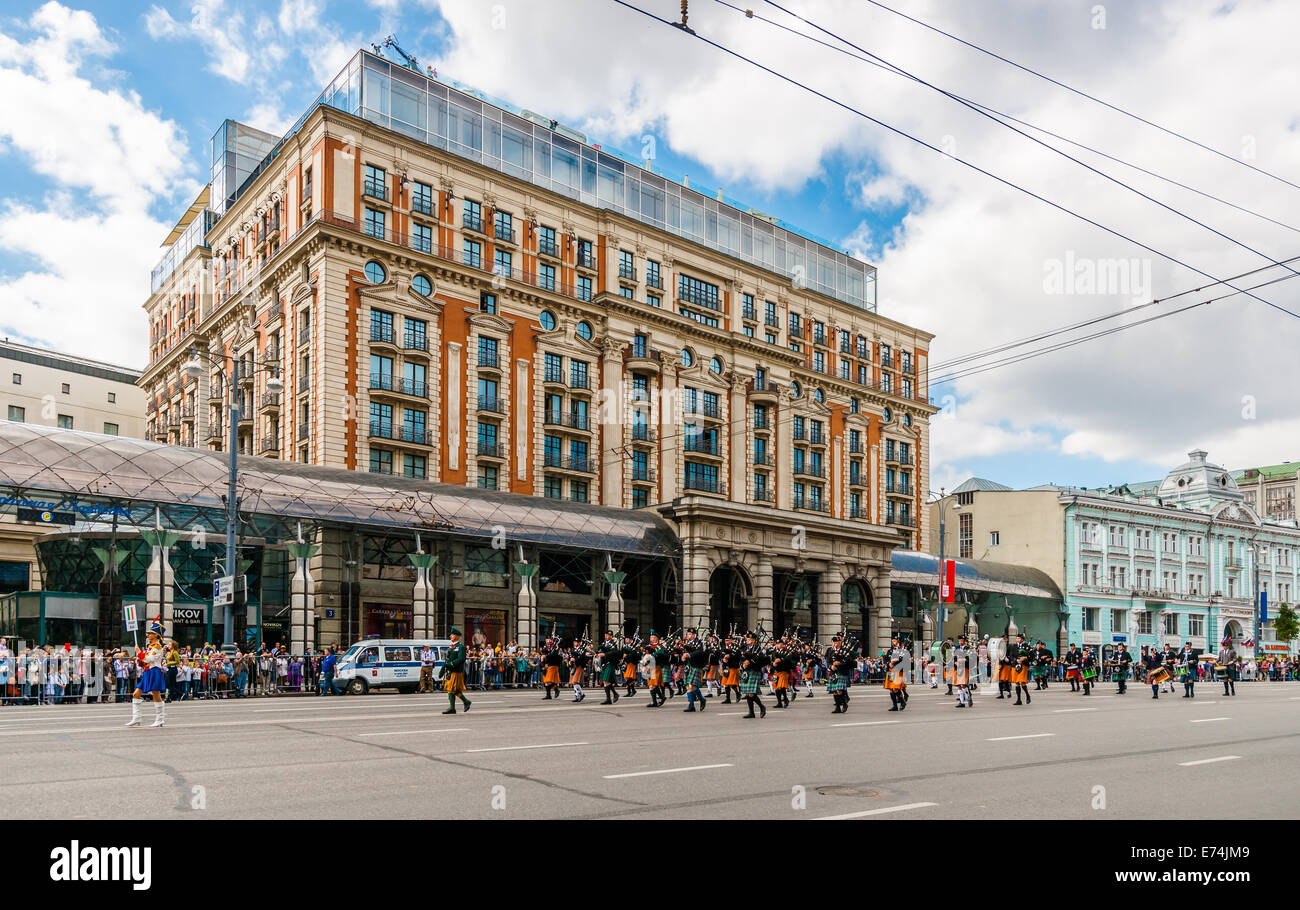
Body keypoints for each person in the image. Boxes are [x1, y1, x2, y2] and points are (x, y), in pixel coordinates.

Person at [125, 619, 170, 728]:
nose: (148, 635)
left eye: (150, 633)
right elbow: (145, 661)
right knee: (136, 694)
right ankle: (137, 718)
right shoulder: (151, 646)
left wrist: (139, 652)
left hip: (154, 672)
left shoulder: (157, 647)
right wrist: (139, 659)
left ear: (156, 635)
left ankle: (160, 719)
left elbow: (149, 659)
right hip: (148, 672)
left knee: (156, 694)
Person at [738, 630, 768, 719]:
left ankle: (762, 707)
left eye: (750, 639)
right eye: (747, 639)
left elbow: (758, 660)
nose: (748, 640)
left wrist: (749, 662)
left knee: (751, 693)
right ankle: (751, 712)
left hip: (754, 671)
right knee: (748, 693)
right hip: (746, 671)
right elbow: (741, 658)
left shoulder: (757, 648)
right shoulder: (745, 648)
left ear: (754, 640)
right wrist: (742, 664)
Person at [441, 628, 472, 714]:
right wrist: (443, 669)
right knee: (451, 689)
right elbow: (447, 660)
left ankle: (461, 703)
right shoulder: (451, 647)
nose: (450, 636)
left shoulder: (461, 647)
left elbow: (461, 658)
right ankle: (456, 706)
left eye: (452, 634)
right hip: (450, 671)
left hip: (456, 671)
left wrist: (451, 664)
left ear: (457, 636)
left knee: (453, 689)